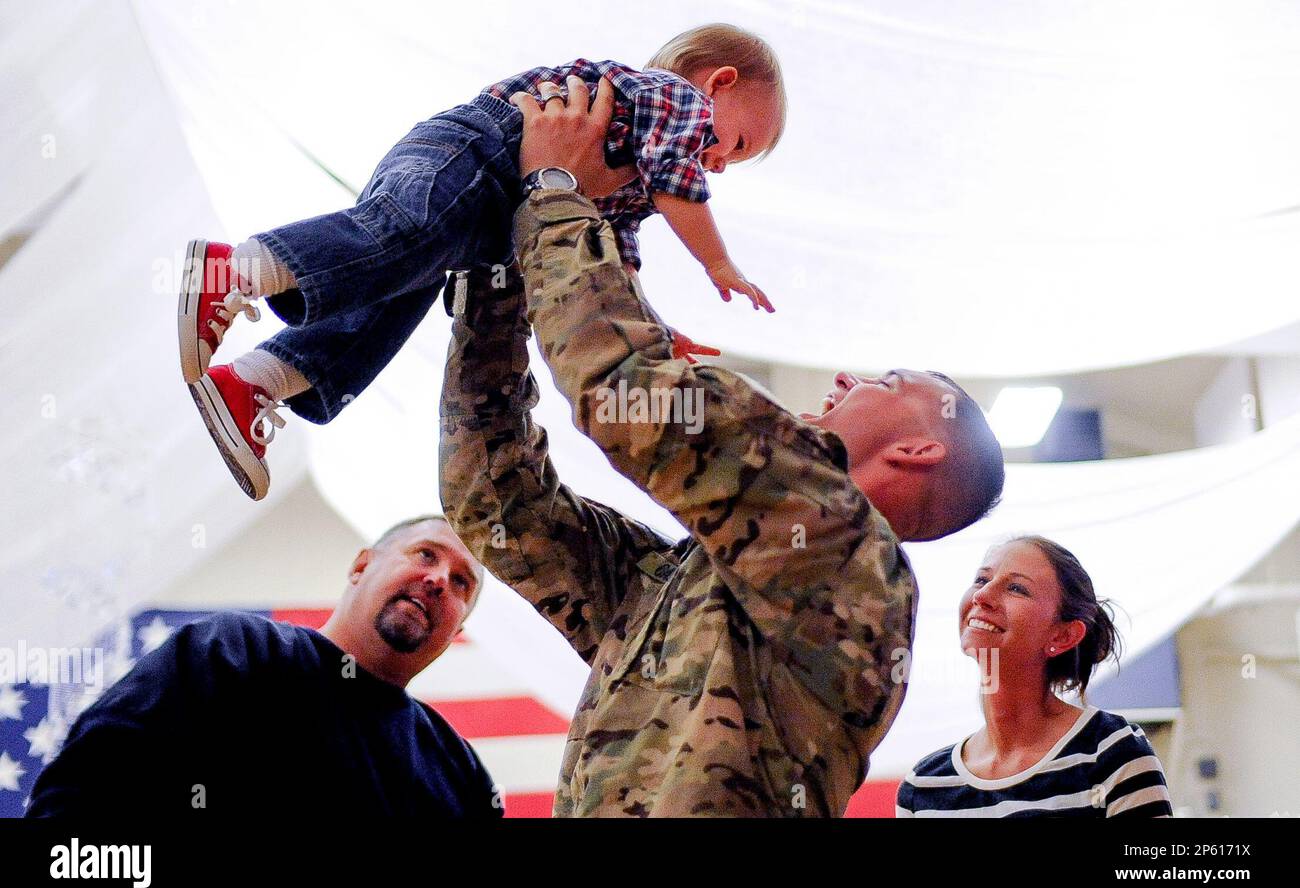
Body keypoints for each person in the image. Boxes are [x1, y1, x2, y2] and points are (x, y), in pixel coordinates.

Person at [437, 81, 1006, 816]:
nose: (846, 377)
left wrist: (552, 190)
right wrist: (495, 285)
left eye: (887, 381)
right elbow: (497, 504)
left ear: (920, 450)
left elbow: (624, 390)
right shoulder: (695, 586)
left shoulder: (844, 548)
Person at [179, 22, 785, 500]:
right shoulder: (674, 103)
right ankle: (234, 272)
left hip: (484, 209)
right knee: (408, 233)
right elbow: (683, 184)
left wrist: (646, 328)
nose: (722, 164)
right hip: (478, 148)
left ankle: (255, 382)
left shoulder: (641, 178)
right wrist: (720, 267)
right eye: (738, 144)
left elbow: (608, 259)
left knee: (384, 310)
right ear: (718, 83)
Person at [26, 516, 502, 818]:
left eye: (462, 584)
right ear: (361, 566)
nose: (439, 580)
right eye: (425, 554)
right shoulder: (238, 651)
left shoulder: (460, 774)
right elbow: (85, 788)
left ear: (458, 627)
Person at [895, 535, 1173, 818]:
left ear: (1063, 635)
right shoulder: (923, 786)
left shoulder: (1111, 753)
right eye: (981, 580)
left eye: (1016, 588)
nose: (982, 596)